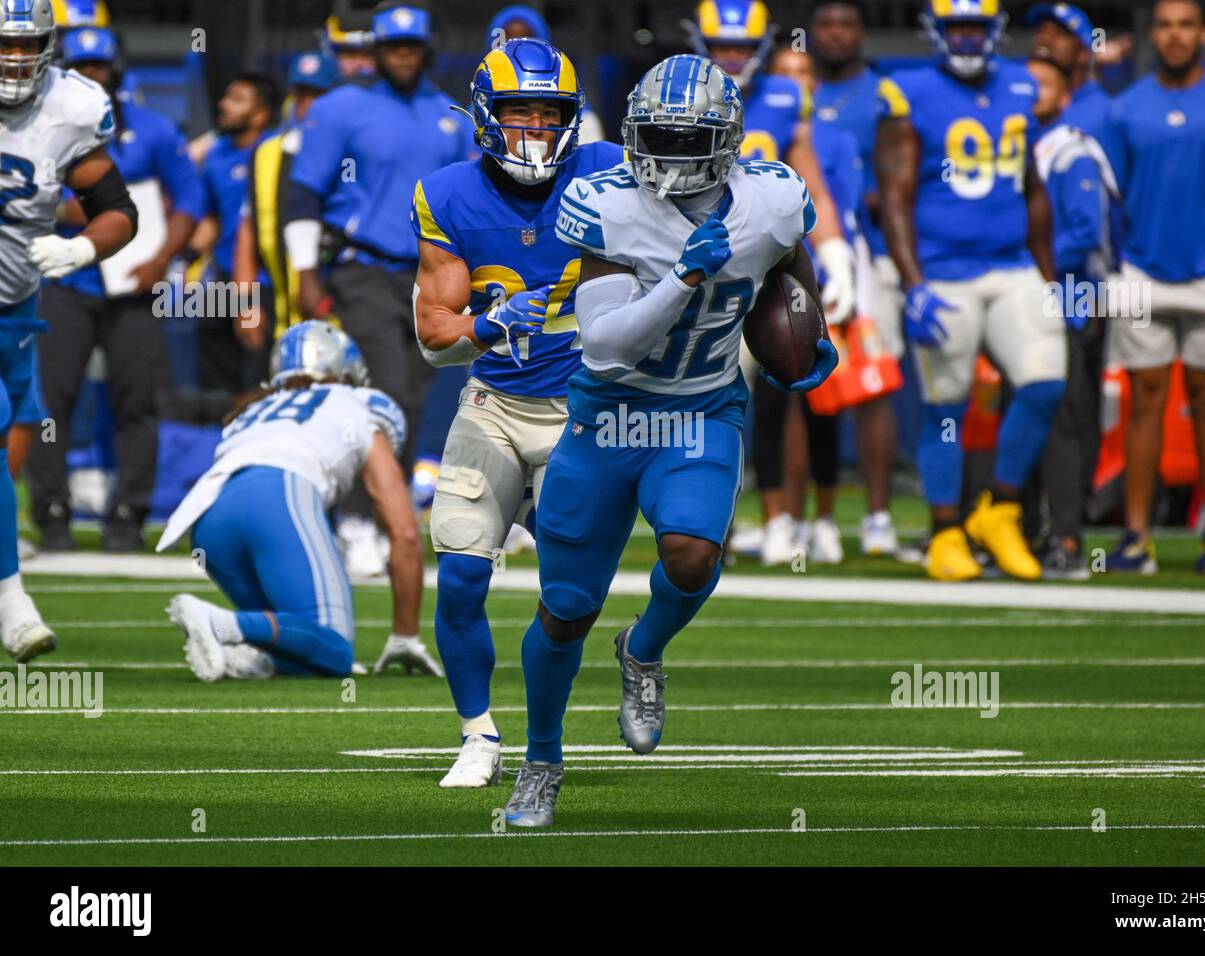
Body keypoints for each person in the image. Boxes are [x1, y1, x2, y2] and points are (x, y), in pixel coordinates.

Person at [503, 54, 837, 827]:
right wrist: (683, 280)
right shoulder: (606, 203)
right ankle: (541, 759)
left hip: (698, 411)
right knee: (564, 607)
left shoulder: (774, 197)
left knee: (692, 553)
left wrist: (807, 331)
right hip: (609, 417)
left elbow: (790, 263)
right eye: (655, 135)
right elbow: (607, 344)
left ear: (726, 141)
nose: (669, 155)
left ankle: (644, 649)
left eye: (688, 141)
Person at [410, 38, 622, 787]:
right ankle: (477, 734)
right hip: (495, 403)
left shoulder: (610, 175)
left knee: (572, 595)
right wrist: (487, 326)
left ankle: (559, 725)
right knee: (463, 576)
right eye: (517, 111)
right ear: (484, 115)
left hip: (585, 409)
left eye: (549, 112)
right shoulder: (447, 195)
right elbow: (435, 335)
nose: (534, 127)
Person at [875, 0, 1064, 583]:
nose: (965, 39)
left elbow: (1031, 185)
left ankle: (998, 510)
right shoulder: (907, 93)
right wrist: (914, 284)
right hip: (944, 272)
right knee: (946, 406)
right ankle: (944, 529)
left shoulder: (1020, 84)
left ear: (994, 32)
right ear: (935, 31)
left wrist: (1050, 272)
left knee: (1045, 381)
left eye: (975, 28)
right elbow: (895, 196)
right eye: (955, 27)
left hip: (1010, 265)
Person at [285, 1, 474, 577]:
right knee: (386, 389)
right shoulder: (342, 106)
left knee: (411, 398)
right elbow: (302, 193)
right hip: (363, 266)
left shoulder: (449, 114)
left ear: (424, 50)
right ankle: (358, 519)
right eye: (392, 47)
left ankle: (389, 524)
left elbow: (468, 199)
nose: (401, 56)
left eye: (410, 47)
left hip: (430, 273)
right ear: (376, 51)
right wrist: (304, 272)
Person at [158, 321, 437, 682]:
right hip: (278, 495)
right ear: (346, 370)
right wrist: (406, 634)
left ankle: (248, 656)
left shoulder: (256, 406)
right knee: (335, 648)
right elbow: (405, 533)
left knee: (301, 645)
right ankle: (219, 622)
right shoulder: (360, 403)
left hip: (208, 515)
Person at [1101, 0, 1205, 575]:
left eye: (1185, 25)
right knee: (1142, 405)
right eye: (1165, 25)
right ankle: (1136, 536)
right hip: (1141, 272)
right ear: (1155, 34)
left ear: (1202, 34)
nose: (1174, 35)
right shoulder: (1126, 108)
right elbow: (1114, 195)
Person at [27, 25, 202, 554]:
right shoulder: (44, 128)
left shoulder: (152, 130)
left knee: (137, 401)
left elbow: (190, 200)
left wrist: (160, 259)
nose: (92, 77)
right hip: (67, 279)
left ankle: (128, 514)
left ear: (117, 72)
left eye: (100, 68)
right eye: (81, 69)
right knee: (52, 400)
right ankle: (51, 513)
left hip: (134, 286)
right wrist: (60, 209)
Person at [0, 0, 137, 663]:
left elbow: (118, 211)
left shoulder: (72, 107)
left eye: (27, 45)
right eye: (4, 43)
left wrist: (81, 250)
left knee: (16, 425)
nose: (15, 58)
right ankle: (11, 599)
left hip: (17, 307)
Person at [751, 42, 861, 566]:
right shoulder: (695, 101)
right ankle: (744, 521)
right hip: (714, 275)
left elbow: (815, 189)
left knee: (816, 393)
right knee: (735, 405)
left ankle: (817, 519)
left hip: (782, 269)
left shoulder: (792, 114)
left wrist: (837, 256)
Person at [686, 0, 855, 329]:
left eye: (743, 47)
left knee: (791, 363)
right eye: (722, 46)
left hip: (768, 258)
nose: (733, 57)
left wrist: (836, 259)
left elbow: (812, 190)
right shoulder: (681, 96)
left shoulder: (786, 97)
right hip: (698, 256)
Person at [807, 0, 902, 558]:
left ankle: (878, 516)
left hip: (868, 255)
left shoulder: (885, 94)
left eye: (847, 24)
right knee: (805, 387)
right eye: (826, 24)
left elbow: (896, 183)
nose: (837, 34)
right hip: (794, 258)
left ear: (861, 32)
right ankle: (805, 520)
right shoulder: (789, 92)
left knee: (874, 384)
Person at [1025, 55, 1120, 579]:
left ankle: (1067, 534)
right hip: (1046, 295)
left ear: (1065, 95)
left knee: (1067, 417)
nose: (1032, 92)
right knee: (1044, 412)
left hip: (1071, 295)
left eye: (1044, 83)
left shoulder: (1070, 148)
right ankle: (1037, 528)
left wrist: (1033, 269)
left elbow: (1085, 232)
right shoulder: (1029, 146)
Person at [231, 50, 339, 350]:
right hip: (284, 322)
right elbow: (248, 231)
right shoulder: (266, 153)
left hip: (344, 317)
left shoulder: (353, 150)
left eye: (318, 95)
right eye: (301, 94)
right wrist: (244, 304)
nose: (308, 104)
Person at [194, 71, 280, 398]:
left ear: (260, 114)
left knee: (258, 381)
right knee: (215, 386)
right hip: (220, 281)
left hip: (264, 283)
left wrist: (249, 301)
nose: (223, 105)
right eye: (226, 97)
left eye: (237, 100)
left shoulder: (277, 152)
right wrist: (180, 259)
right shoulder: (215, 156)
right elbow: (210, 220)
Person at [485, 4, 605, 143]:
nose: (517, 53)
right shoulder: (473, 114)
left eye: (549, 113)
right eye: (520, 111)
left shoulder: (583, 120)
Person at [1028, 3, 1109, 142]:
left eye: (1059, 34)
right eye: (1041, 31)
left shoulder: (1103, 113)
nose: (1045, 39)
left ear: (1084, 52)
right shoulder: (1019, 93)